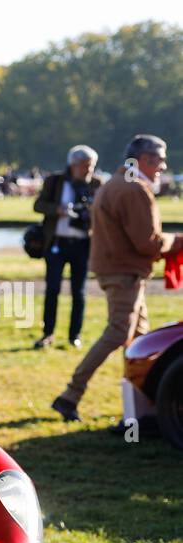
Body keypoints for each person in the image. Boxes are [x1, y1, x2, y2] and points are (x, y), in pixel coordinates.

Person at [51, 135, 183, 423]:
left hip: (119, 271)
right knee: (119, 334)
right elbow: (148, 243)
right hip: (125, 274)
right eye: (160, 159)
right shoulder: (134, 189)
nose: (163, 166)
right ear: (145, 160)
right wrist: (178, 241)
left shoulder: (116, 184)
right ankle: (70, 395)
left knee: (141, 344)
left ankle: (140, 410)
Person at [33, 145, 103, 349]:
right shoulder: (55, 181)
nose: (89, 170)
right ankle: (48, 333)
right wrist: (57, 209)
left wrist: (91, 213)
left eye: (92, 166)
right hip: (57, 243)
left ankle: (75, 335)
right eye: (86, 166)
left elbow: (104, 213)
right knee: (53, 289)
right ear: (73, 165)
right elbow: (38, 205)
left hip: (82, 243)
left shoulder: (96, 184)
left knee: (79, 291)